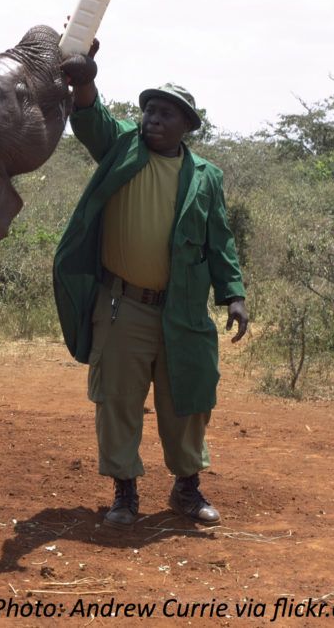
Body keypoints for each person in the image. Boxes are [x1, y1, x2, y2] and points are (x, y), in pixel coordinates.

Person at [52, 39, 248, 529]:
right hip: (123, 305)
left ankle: (186, 488)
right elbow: (92, 119)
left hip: (183, 309)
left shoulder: (206, 177)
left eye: (166, 113)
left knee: (187, 399)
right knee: (118, 399)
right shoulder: (123, 147)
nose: (153, 120)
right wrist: (85, 79)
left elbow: (220, 239)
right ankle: (125, 492)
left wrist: (234, 294)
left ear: (188, 125)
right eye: (149, 111)